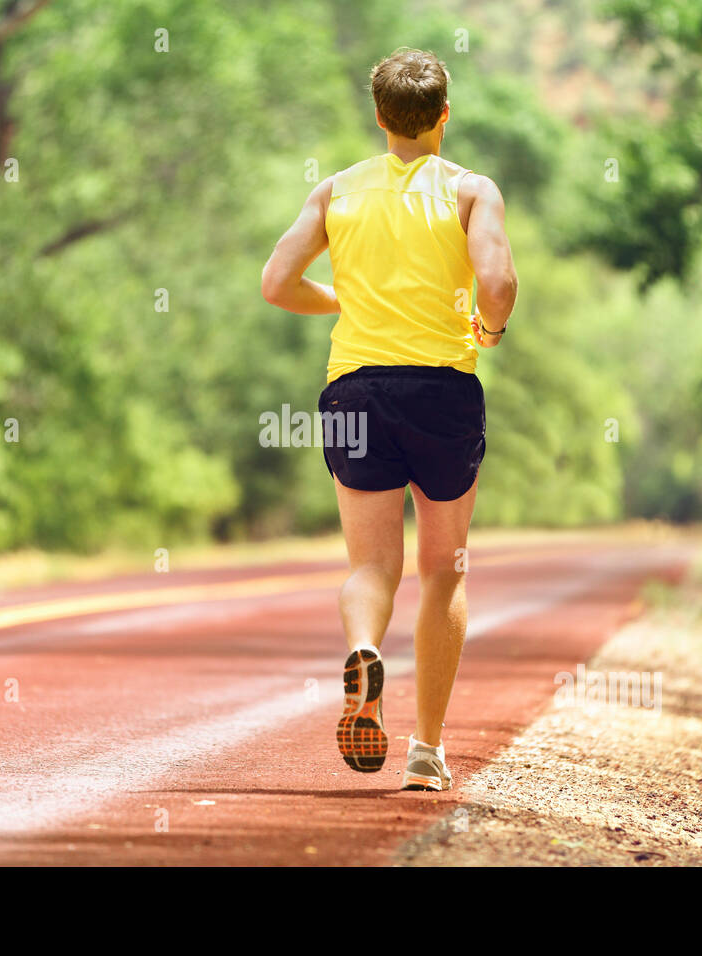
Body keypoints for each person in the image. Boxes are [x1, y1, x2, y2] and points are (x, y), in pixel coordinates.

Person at [261, 47, 518, 791]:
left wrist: (345, 299)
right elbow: (496, 282)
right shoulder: (471, 192)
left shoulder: (335, 192)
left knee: (372, 566)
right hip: (442, 392)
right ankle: (427, 753)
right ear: (444, 116)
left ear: (379, 118)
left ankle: (364, 646)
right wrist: (490, 331)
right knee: (445, 569)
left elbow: (278, 283)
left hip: (354, 393)